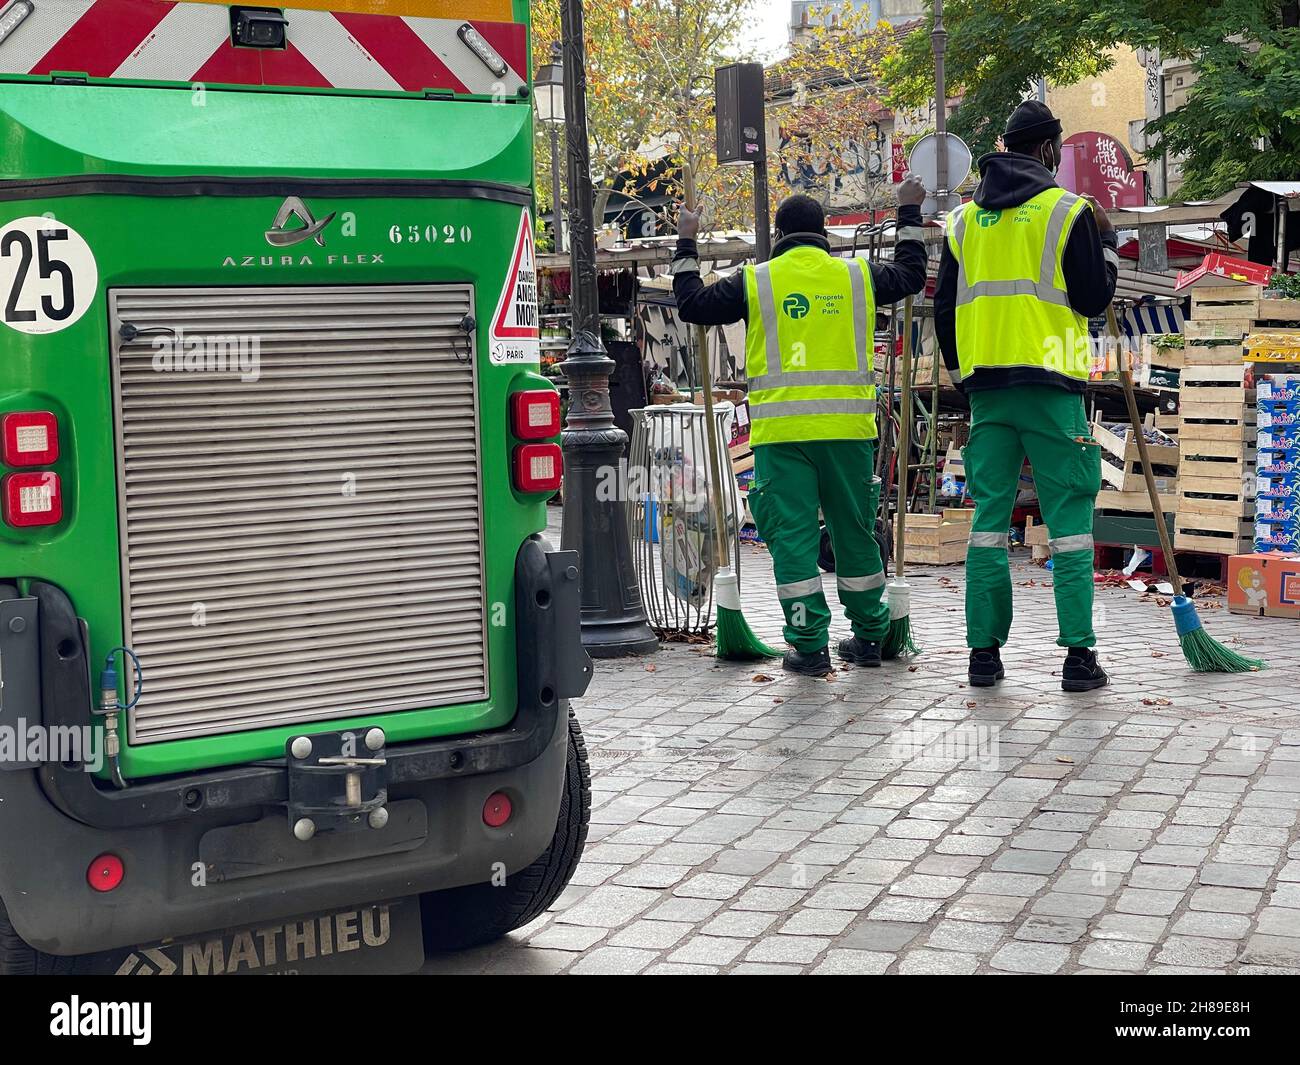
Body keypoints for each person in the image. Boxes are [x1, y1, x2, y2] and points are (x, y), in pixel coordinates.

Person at [672, 179, 928, 676]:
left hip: (781, 438)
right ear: (824, 232)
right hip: (849, 434)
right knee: (854, 534)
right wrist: (908, 210)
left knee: (792, 541)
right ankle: (871, 637)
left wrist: (687, 242)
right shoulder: (857, 276)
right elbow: (911, 274)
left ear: (779, 235)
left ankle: (809, 648)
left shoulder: (756, 280)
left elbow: (692, 305)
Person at [934, 100, 1119, 692]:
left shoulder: (963, 221)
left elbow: (944, 310)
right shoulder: (1068, 212)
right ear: (1046, 149)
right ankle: (1078, 660)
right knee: (1068, 523)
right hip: (1051, 389)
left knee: (988, 522)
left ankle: (983, 656)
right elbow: (1093, 300)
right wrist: (1107, 244)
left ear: (1004, 147)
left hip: (988, 392)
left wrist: (964, 374)